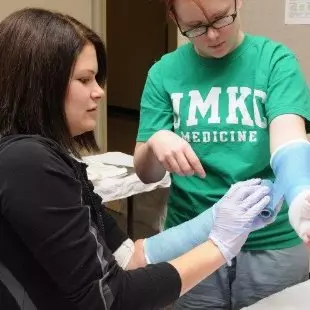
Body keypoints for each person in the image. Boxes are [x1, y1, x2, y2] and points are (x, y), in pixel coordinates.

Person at [0, 7, 277, 310]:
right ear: (40, 84)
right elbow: (110, 297)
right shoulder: (27, 163)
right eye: (85, 79)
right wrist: (219, 247)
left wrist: (217, 218)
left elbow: (129, 256)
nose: (99, 92)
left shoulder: (53, 158)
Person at [134, 0, 310, 309]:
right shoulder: (163, 73)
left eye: (221, 19)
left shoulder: (274, 61)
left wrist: (300, 191)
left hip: (272, 244)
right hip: (192, 240)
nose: (213, 35)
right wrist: (155, 143)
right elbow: (147, 174)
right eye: (195, 28)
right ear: (174, 17)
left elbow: (288, 138)